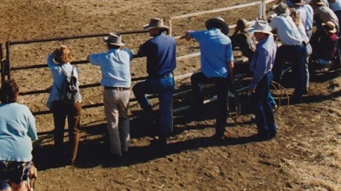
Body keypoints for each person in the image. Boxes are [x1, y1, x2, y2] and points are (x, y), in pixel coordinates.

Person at [185, 17, 235, 141]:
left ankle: (198, 102)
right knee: (222, 105)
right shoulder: (226, 40)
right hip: (222, 75)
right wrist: (232, 78)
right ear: (221, 28)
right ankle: (220, 130)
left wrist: (188, 36)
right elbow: (230, 62)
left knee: (195, 79)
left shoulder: (203, 35)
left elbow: (189, 33)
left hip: (207, 74)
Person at [133, 18, 177, 148]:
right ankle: (165, 134)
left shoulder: (151, 43)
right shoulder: (171, 40)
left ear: (157, 30)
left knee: (138, 89)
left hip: (156, 79)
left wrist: (141, 47)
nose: (149, 31)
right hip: (169, 78)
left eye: (151, 29)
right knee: (166, 107)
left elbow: (140, 53)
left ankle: (149, 113)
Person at [89, 33, 134, 158]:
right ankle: (125, 145)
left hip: (111, 90)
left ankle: (116, 149)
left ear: (108, 45)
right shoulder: (126, 54)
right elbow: (132, 53)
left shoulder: (104, 56)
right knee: (125, 117)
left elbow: (90, 58)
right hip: (125, 90)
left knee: (113, 120)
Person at [46, 44, 82, 165]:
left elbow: (48, 59)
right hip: (75, 101)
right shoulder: (75, 69)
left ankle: (58, 155)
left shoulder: (56, 69)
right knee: (74, 130)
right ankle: (72, 157)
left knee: (59, 129)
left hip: (60, 102)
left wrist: (55, 51)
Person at [270, 3, 308, 104]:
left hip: (291, 48)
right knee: (299, 71)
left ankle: (274, 78)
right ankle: (298, 94)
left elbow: (269, 29)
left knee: (276, 59)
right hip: (301, 46)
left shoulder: (277, 20)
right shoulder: (289, 19)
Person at [247, 20, 277, 141]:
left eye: (256, 32)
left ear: (262, 34)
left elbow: (260, 69)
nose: (254, 35)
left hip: (262, 77)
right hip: (268, 74)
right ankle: (271, 129)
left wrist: (253, 84)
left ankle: (263, 131)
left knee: (257, 104)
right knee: (265, 102)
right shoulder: (270, 43)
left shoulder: (263, 48)